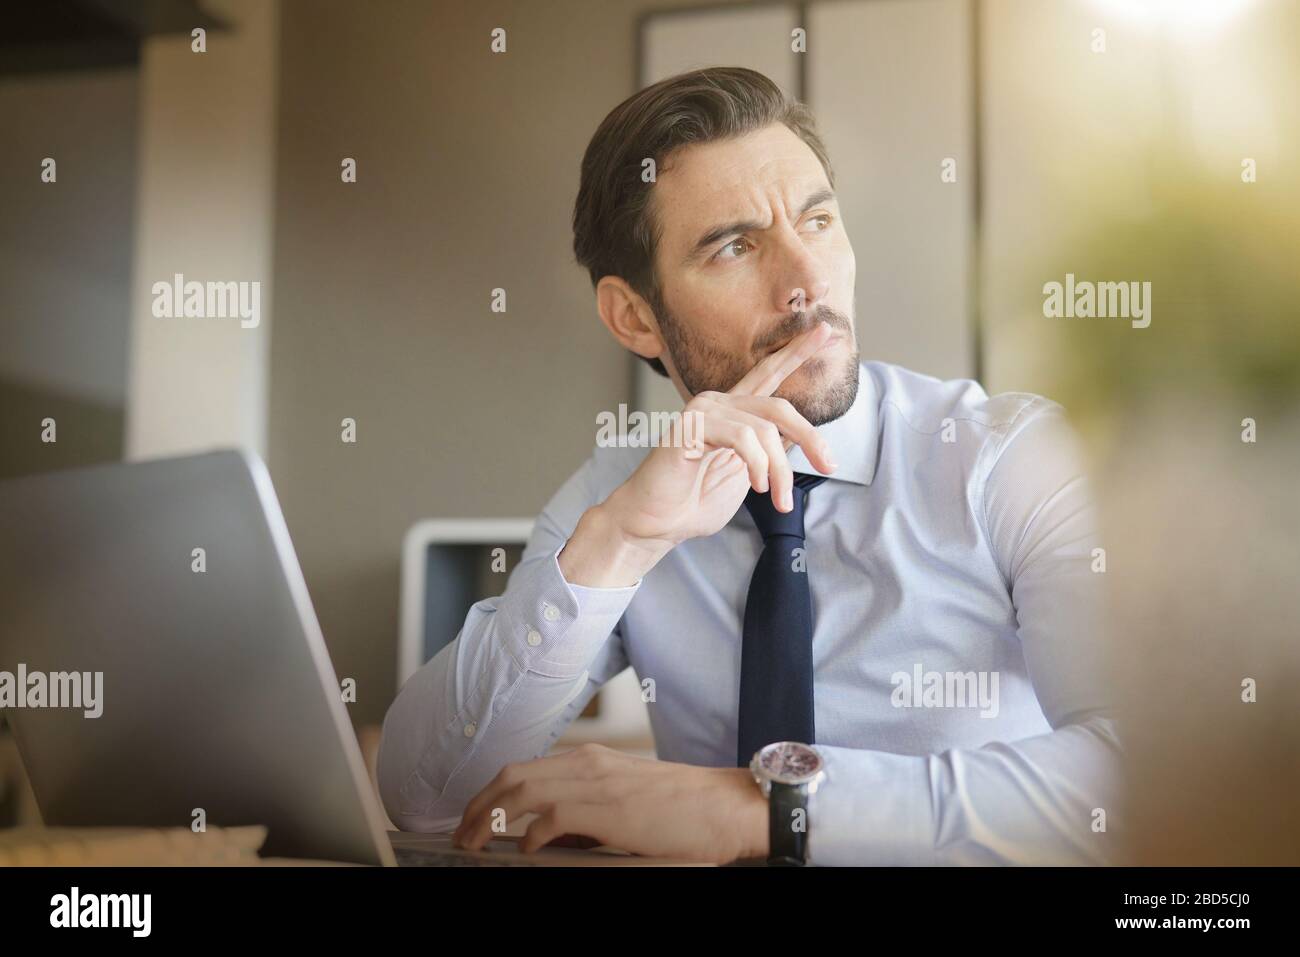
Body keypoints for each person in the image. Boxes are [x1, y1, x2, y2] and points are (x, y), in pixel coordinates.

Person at [377, 67, 1121, 866]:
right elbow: (424, 799)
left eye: (819, 220)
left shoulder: (1008, 459)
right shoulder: (619, 492)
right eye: (735, 246)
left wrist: (764, 809)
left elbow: (1139, 777)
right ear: (635, 317)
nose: (807, 282)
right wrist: (624, 540)